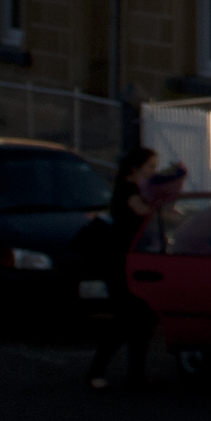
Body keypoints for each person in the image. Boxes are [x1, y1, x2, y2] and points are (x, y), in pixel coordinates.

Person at [77, 148, 160, 393]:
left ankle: (136, 374)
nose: (153, 172)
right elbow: (144, 212)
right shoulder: (128, 191)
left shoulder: (137, 191)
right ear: (135, 169)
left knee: (143, 317)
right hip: (120, 261)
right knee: (127, 317)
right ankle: (97, 371)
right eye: (150, 167)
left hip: (135, 259)